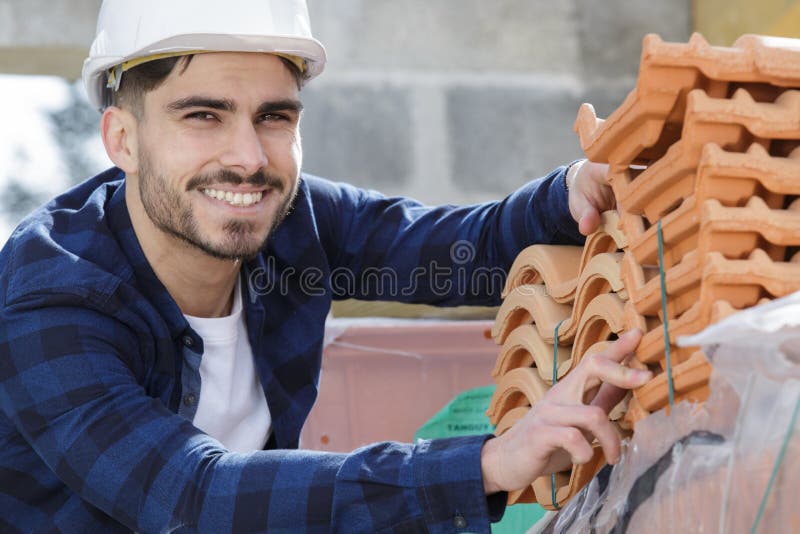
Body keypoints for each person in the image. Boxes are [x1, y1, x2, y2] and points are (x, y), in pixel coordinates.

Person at [0, 0, 651, 531]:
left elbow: (452, 251)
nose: (249, 157)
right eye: (203, 116)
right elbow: (189, 498)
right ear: (123, 139)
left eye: (274, 116)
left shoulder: (292, 220)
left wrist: (569, 193)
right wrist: (486, 464)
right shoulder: (53, 300)